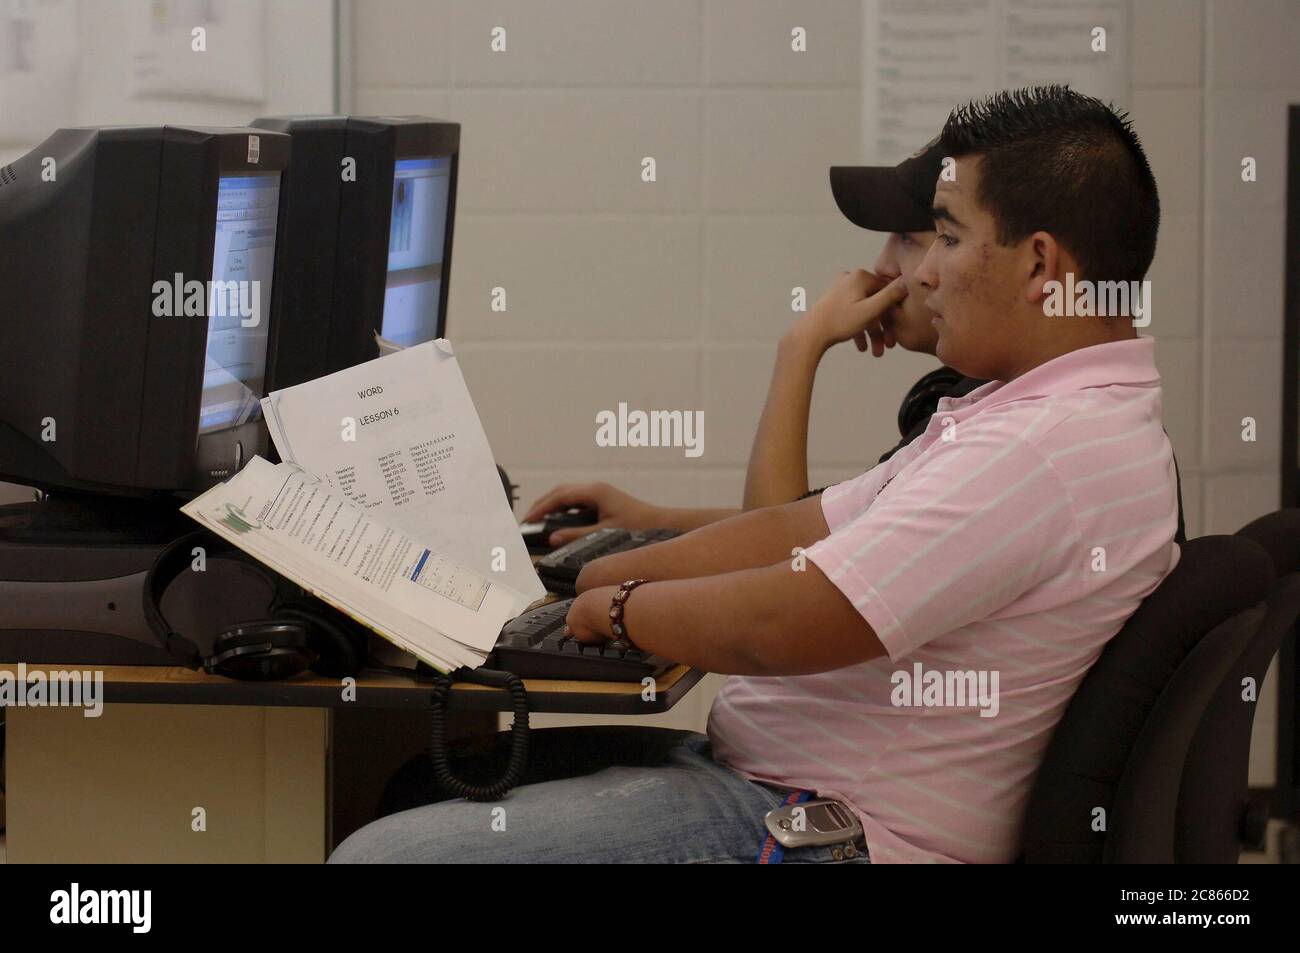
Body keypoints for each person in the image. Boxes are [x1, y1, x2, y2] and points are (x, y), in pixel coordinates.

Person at [332, 85, 1179, 865]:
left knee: (379, 859)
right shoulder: (1027, 414)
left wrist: (617, 609)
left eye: (948, 236)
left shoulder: (1044, 449)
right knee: (425, 779)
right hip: (777, 783)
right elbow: (797, 528)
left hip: (828, 827)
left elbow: (784, 620)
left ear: (1039, 264)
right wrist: (593, 574)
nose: (919, 271)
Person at [523, 137, 986, 548]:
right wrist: (651, 523)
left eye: (908, 237)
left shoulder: (979, 440)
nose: (881, 264)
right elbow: (821, 524)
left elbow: (782, 558)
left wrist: (800, 349)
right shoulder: (961, 401)